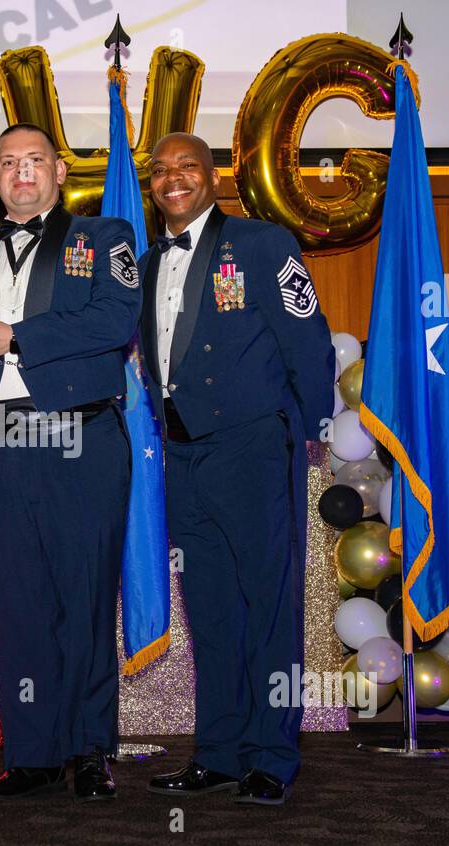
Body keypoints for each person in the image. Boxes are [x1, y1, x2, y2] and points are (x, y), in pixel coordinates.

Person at [0, 123, 140, 801]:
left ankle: (91, 751)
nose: (21, 172)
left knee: (87, 598)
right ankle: (33, 754)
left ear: (60, 172)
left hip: (81, 438)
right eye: (7, 163)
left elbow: (116, 319)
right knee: (19, 603)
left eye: (34, 160)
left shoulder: (106, 240)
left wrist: (13, 336)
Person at [140, 133, 335, 805]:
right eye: (160, 171)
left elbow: (308, 343)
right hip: (184, 458)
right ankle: (219, 752)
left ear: (212, 175)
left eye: (186, 167)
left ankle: (273, 755)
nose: (172, 180)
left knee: (269, 607)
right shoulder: (144, 262)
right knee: (212, 610)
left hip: (253, 450)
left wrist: (303, 436)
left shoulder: (262, 244)